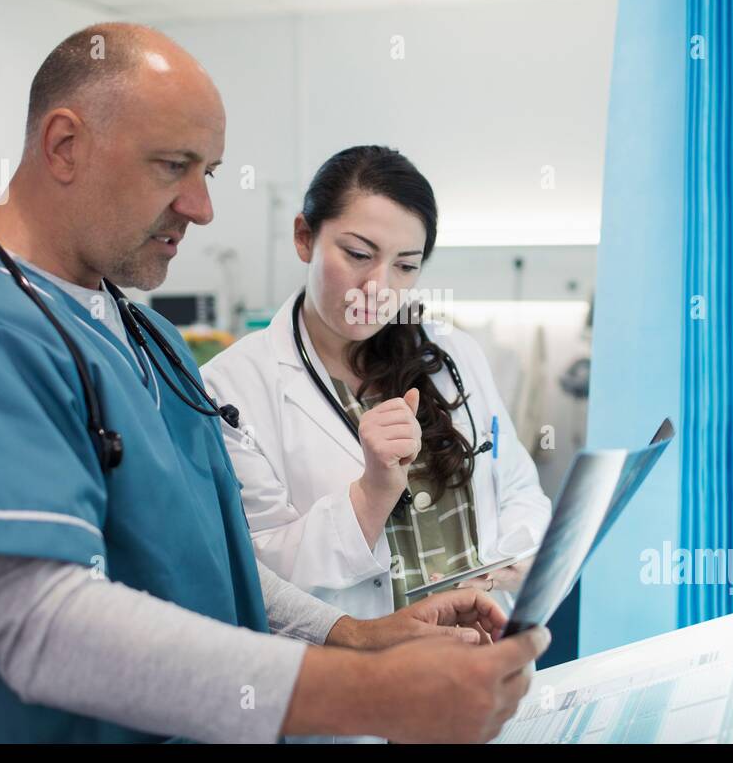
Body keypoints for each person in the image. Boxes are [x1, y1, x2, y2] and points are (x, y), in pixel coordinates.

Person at [0, 23, 547, 743]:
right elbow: (45, 625)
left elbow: (221, 562)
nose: (202, 208)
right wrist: (369, 694)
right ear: (64, 146)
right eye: (173, 166)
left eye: (211, 174)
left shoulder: (151, 342)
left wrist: (352, 635)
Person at [203, 146, 551, 625]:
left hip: (483, 653)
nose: (378, 287)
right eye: (358, 255)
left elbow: (518, 489)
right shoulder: (231, 388)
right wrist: (371, 494)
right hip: (360, 679)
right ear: (305, 238)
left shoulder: (455, 355)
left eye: (405, 265)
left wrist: (502, 565)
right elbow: (263, 574)